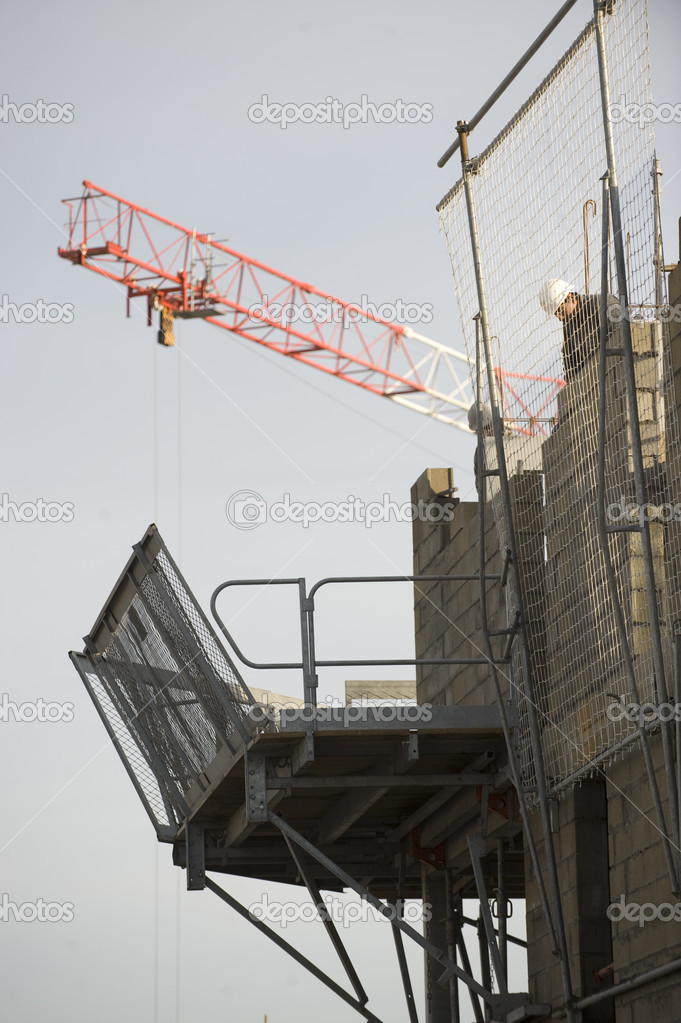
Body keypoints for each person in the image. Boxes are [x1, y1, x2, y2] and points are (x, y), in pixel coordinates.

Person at [538, 278, 618, 381]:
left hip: (616, 374)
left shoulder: (604, 304)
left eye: (560, 311)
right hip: (595, 382)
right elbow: (570, 365)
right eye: (556, 314)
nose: (560, 318)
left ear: (570, 297)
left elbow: (623, 338)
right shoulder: (569, 324)